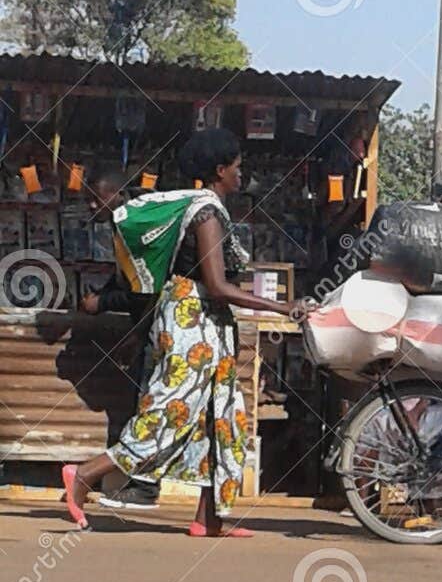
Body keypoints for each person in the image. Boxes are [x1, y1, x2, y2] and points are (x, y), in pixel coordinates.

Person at [62, 128, 297, 538]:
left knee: (221, 419)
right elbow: (218, 285)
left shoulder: (209, 209)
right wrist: (283, 307)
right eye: (237, 166)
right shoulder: (206, 213)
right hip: (193, 327)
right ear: (220, 170)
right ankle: (85, 475)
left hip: (209, 326)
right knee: (169, 414)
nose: (242, 174)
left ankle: (209, 519)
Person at [81, 172, 160, 511]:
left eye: (97, 198)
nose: (91, 205)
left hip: (158, 330)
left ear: (116, 195)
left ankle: (143, 486)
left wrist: (103, 303)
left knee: (149, 406)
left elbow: (143, 287)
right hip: (148, 329)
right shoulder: (126, 226)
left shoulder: (130, 227)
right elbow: (128, 279)